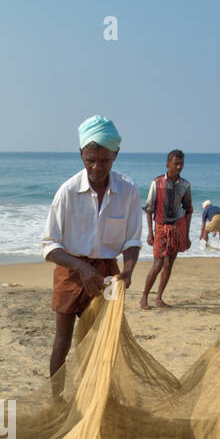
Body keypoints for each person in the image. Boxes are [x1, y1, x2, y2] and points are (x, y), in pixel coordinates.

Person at [42, 115, 142, 380]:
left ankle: (94, 399)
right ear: (81, 155)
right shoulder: (68, 191)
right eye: (90, 160)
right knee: (62, 341)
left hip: (108, 275)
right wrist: (82, 268)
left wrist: (128, 271)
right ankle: (57, 400)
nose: (97, 167)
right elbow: (50, 247)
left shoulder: (128, 190)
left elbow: (132, 241)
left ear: (116, 155)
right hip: (70, 271)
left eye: (104, 160)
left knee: (102, 342)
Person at [139, 150, 191, 310]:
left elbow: (188, 210)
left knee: (169, 264)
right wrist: (150, 232)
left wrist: (186, 235)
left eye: (181, 164)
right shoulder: (157, 183)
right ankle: (144, 297)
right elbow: (149, 209)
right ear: (167, 164)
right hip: (160, 228)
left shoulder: (185, 185)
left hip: (177, 228)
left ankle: (159, 298)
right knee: (158, 264)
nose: (179, 167)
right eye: (176, 163)